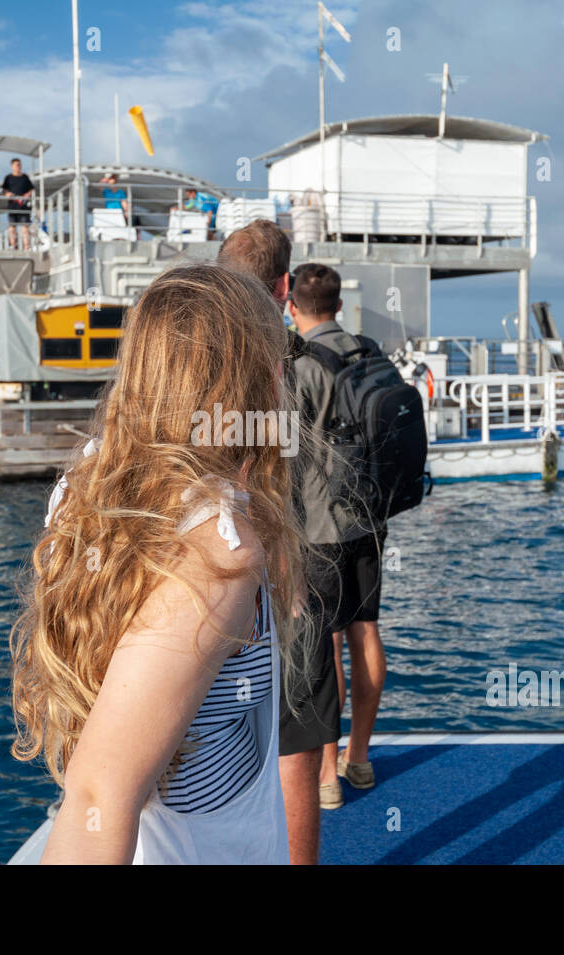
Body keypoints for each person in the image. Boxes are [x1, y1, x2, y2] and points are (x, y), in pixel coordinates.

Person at [10, 263, 308, 864]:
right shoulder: (218, 553)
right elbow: (103, 789)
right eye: (278, 357)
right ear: (257, 379)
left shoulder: (88, 487)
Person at [218, 219, 342, 865]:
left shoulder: (196, 359)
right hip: (288, 580)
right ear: (284, 285)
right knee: (296, 744)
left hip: (204, 582)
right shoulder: (296, 364)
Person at [285, 263, 387, 807]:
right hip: (370, 519)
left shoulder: (299, 365)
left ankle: (326, 775)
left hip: (319, 528)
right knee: (365, 632)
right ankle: (361, 758)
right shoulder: (369, 352)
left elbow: (283, 452)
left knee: (323, 644)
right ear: (340, 305)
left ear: (292, 306)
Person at [2, 158, 35, 250]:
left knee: (25, 227)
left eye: (20, 165)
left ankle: (27, 246)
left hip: (24, 206)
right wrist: (7, 194)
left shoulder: (25, 177)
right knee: (12, 226)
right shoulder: (8, 178)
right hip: (12, 206)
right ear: (12, 166)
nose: (19, 167)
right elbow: (4, 190)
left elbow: (31, 188)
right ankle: (13, 245)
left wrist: (27, 195)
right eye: (17, 165)